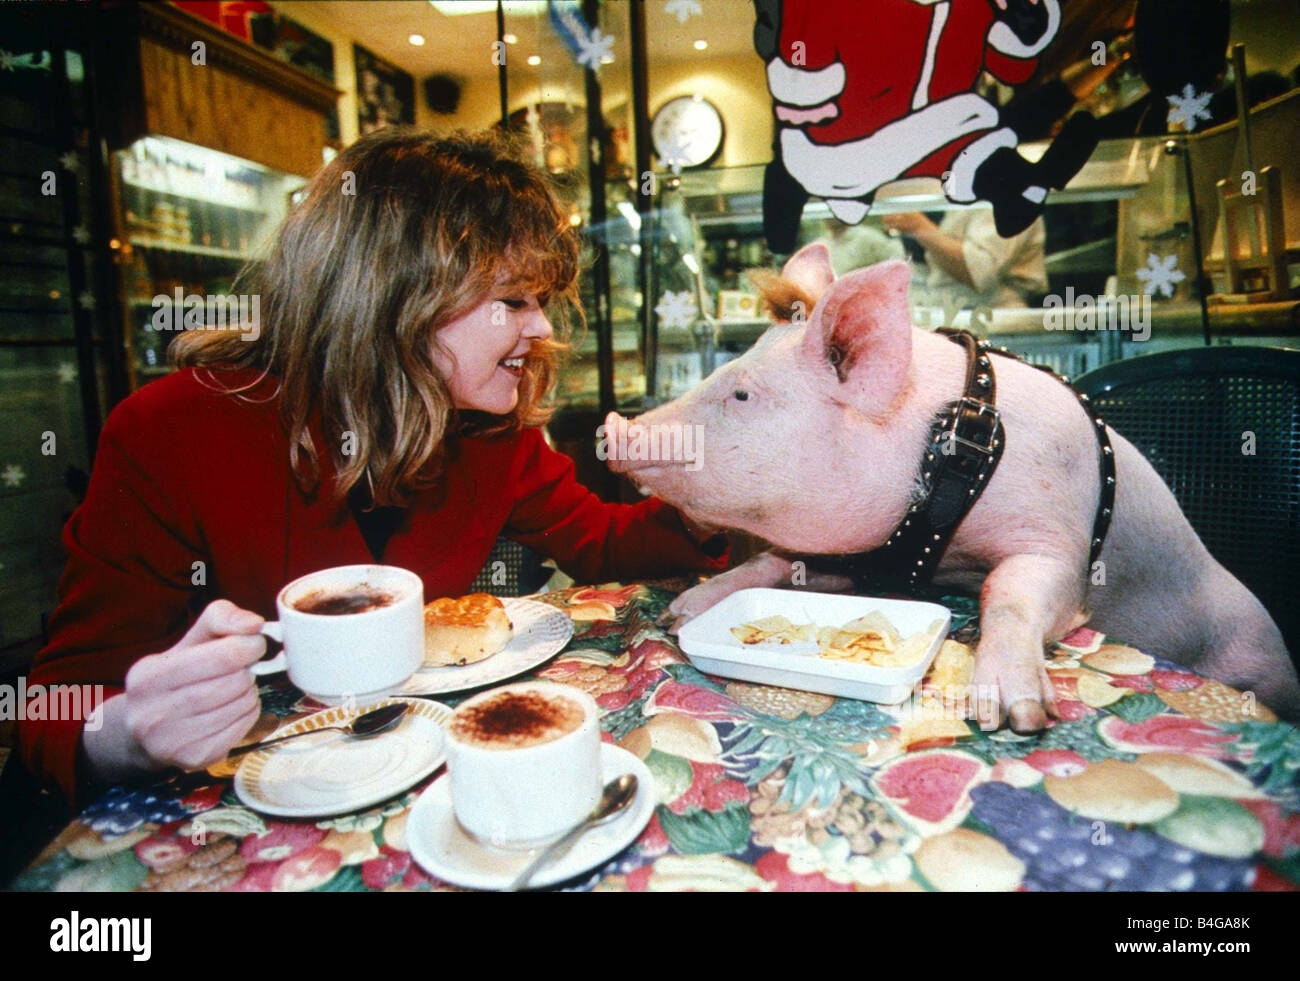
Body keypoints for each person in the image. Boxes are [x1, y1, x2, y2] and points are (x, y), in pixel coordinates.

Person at [20, 129, 727, 804]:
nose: (541, 328)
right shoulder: (170, 431)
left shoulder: (487, 427)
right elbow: (57, 700)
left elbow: (600, 540)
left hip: (419, 770)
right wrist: (127, 737)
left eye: (539, 300)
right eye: (513, 299)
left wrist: (705, 495)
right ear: (395, 298)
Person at [881, 209, 1047, 310]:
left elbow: (978, 273)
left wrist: (919, 227)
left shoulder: (1006, 187)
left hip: (997, 319)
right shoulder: (937, 188)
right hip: (942, 318)